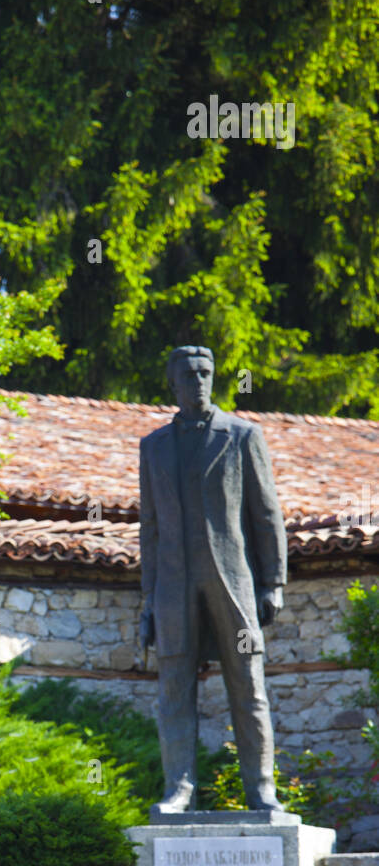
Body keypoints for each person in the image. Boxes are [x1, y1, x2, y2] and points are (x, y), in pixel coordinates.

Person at [138, 344, 288, 813]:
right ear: (173, 382)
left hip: (233, 583)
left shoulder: (242, 436)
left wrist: (273, 582)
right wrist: (148, 601)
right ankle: (178, 790)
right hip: (173, 589)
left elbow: (266, 515)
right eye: (189, 374)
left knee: (248, 687)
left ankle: (261, 789)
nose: (198, 381)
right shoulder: (153, 446)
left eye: (205, 373)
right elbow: (151, 528)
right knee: (173, 691)